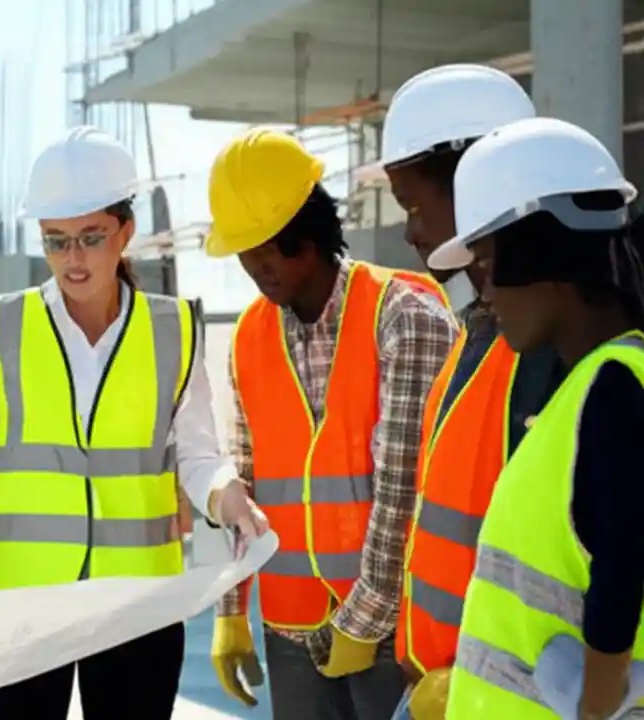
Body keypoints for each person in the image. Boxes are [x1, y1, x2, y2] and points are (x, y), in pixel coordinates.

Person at [0, 125, 269, 720]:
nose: (74, 259)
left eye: (90, 237)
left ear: (126, 232)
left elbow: (198, 454)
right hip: (18, 605)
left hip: (136, 603)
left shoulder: (175, 331)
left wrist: (228, 499)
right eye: (56, 242)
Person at [204, 128, 457, 720]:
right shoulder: (248, 337)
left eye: (268, 245)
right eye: (244, 249)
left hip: (392, 628)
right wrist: (231, 609)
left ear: (308, 230)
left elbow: (404, 487)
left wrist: (366, 621)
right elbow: (243, 478)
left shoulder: (402, 316)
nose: (255, 267)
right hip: (291, 630)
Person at [427, 117, 644, 720]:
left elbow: (622, 575)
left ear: (541, 256)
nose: (486, 293)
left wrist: (598, 706)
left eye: (491, 264)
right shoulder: (588, 388)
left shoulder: (614, 389)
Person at [377, 64, 565, 720]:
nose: (410, 231)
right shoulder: (479, 333)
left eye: (412, 205)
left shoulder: (543, 352)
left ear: (478, 182)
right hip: (439, 686)